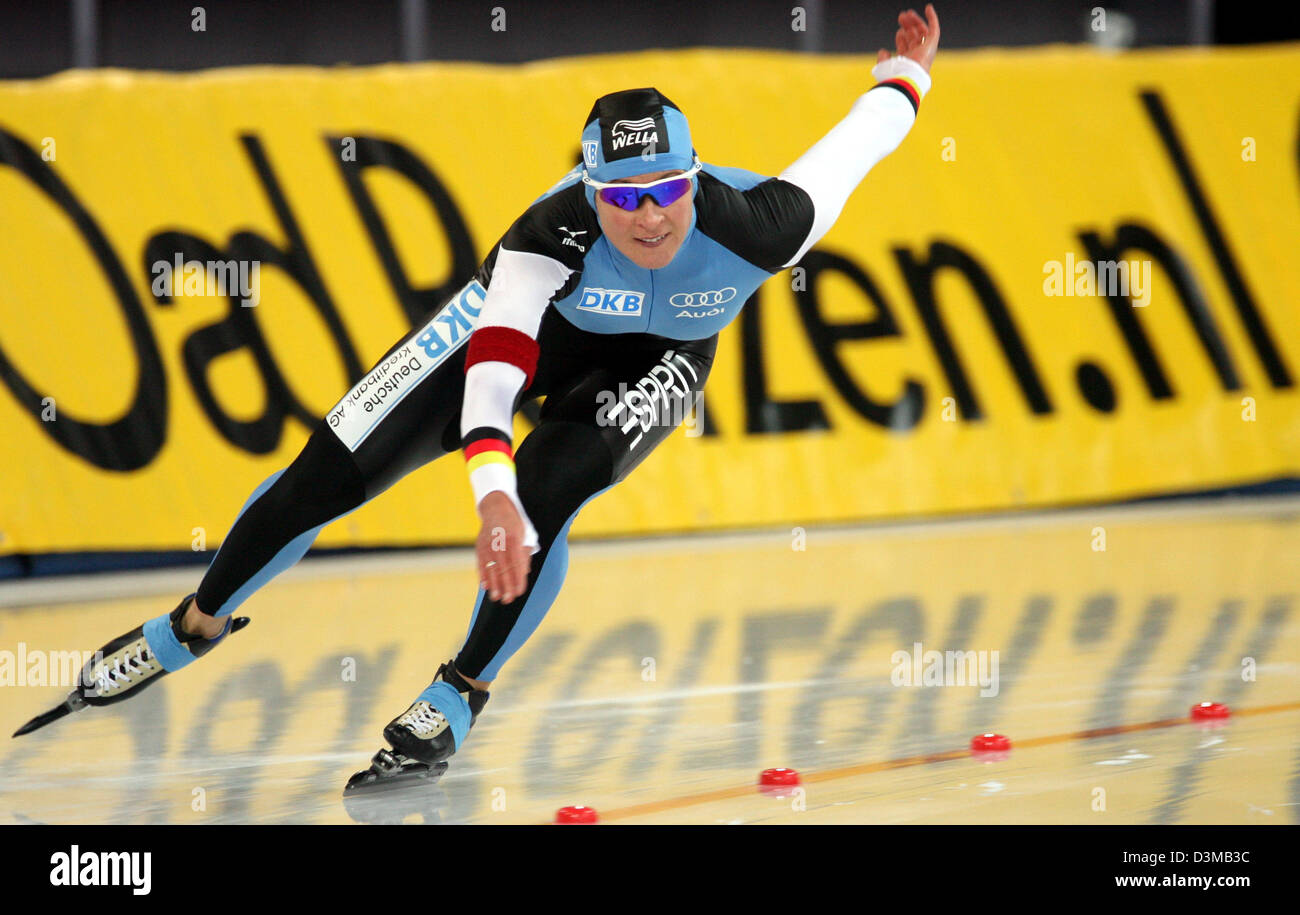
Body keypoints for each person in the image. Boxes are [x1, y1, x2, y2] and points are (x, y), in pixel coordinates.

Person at [19, 6, 941, 786]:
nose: (651, 215)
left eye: (668, 190)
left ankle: (458, 692)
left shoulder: (768, 227)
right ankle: (191, 625)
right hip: (536, 331)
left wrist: (905, 75)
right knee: (335, 466)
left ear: (694, 179)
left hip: (656, 357)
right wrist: (484, 493)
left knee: (552, 488)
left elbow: (863, 138)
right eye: (624, 199)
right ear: (590, 192)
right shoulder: (549, 233)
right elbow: (495, 370)